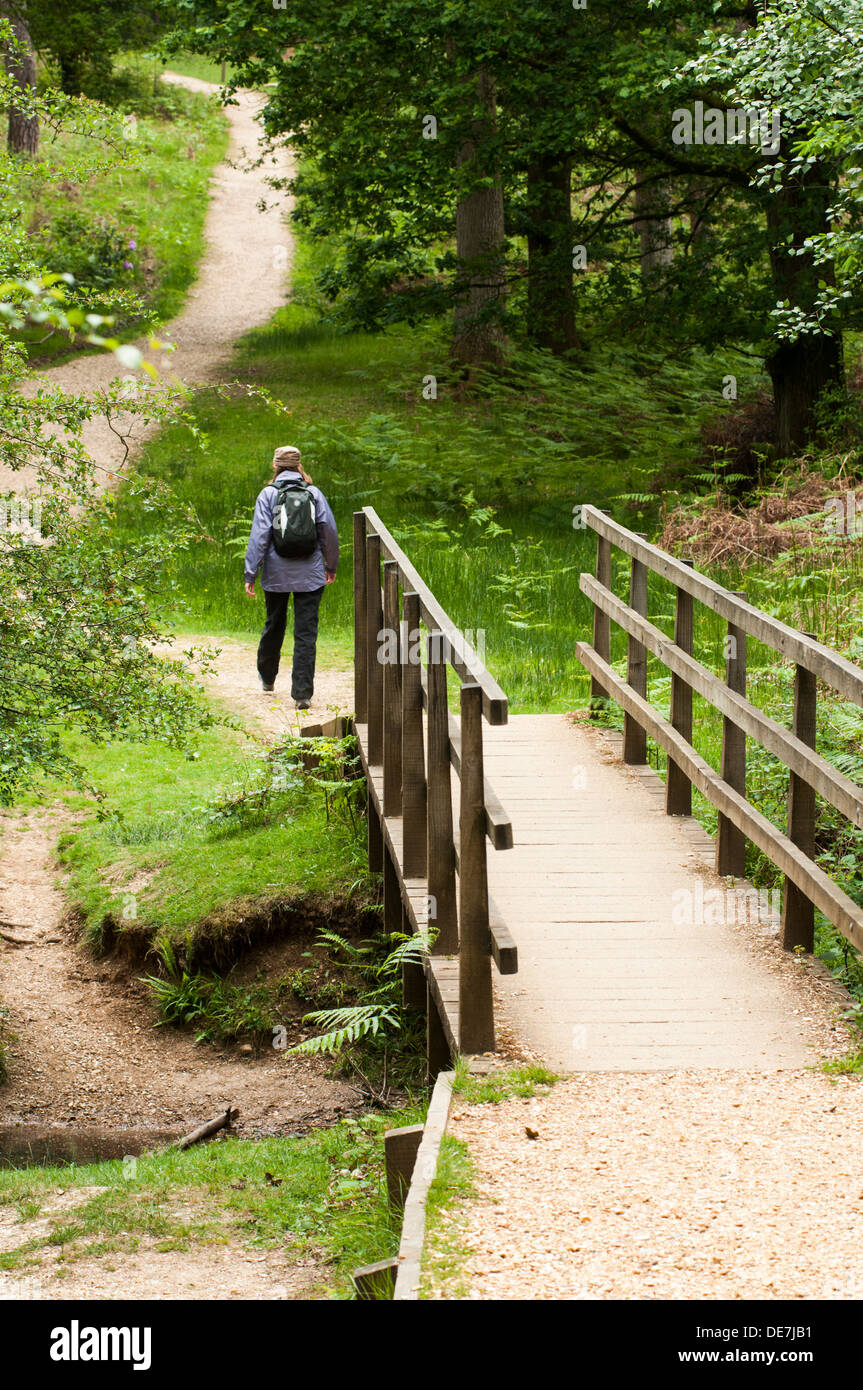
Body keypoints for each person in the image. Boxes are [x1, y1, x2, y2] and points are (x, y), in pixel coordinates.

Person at [244, 445, 338, 708]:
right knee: (306, 632)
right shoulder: (314, 493)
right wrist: (330, 566)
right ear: (299, 466)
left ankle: (268, 677)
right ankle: (302, 694)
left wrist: (251, 572)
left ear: (275, 466)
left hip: (276, 573)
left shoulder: (268, 494)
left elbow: (260, 535)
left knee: (274, 623)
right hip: (310, 573)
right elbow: (328, 531)